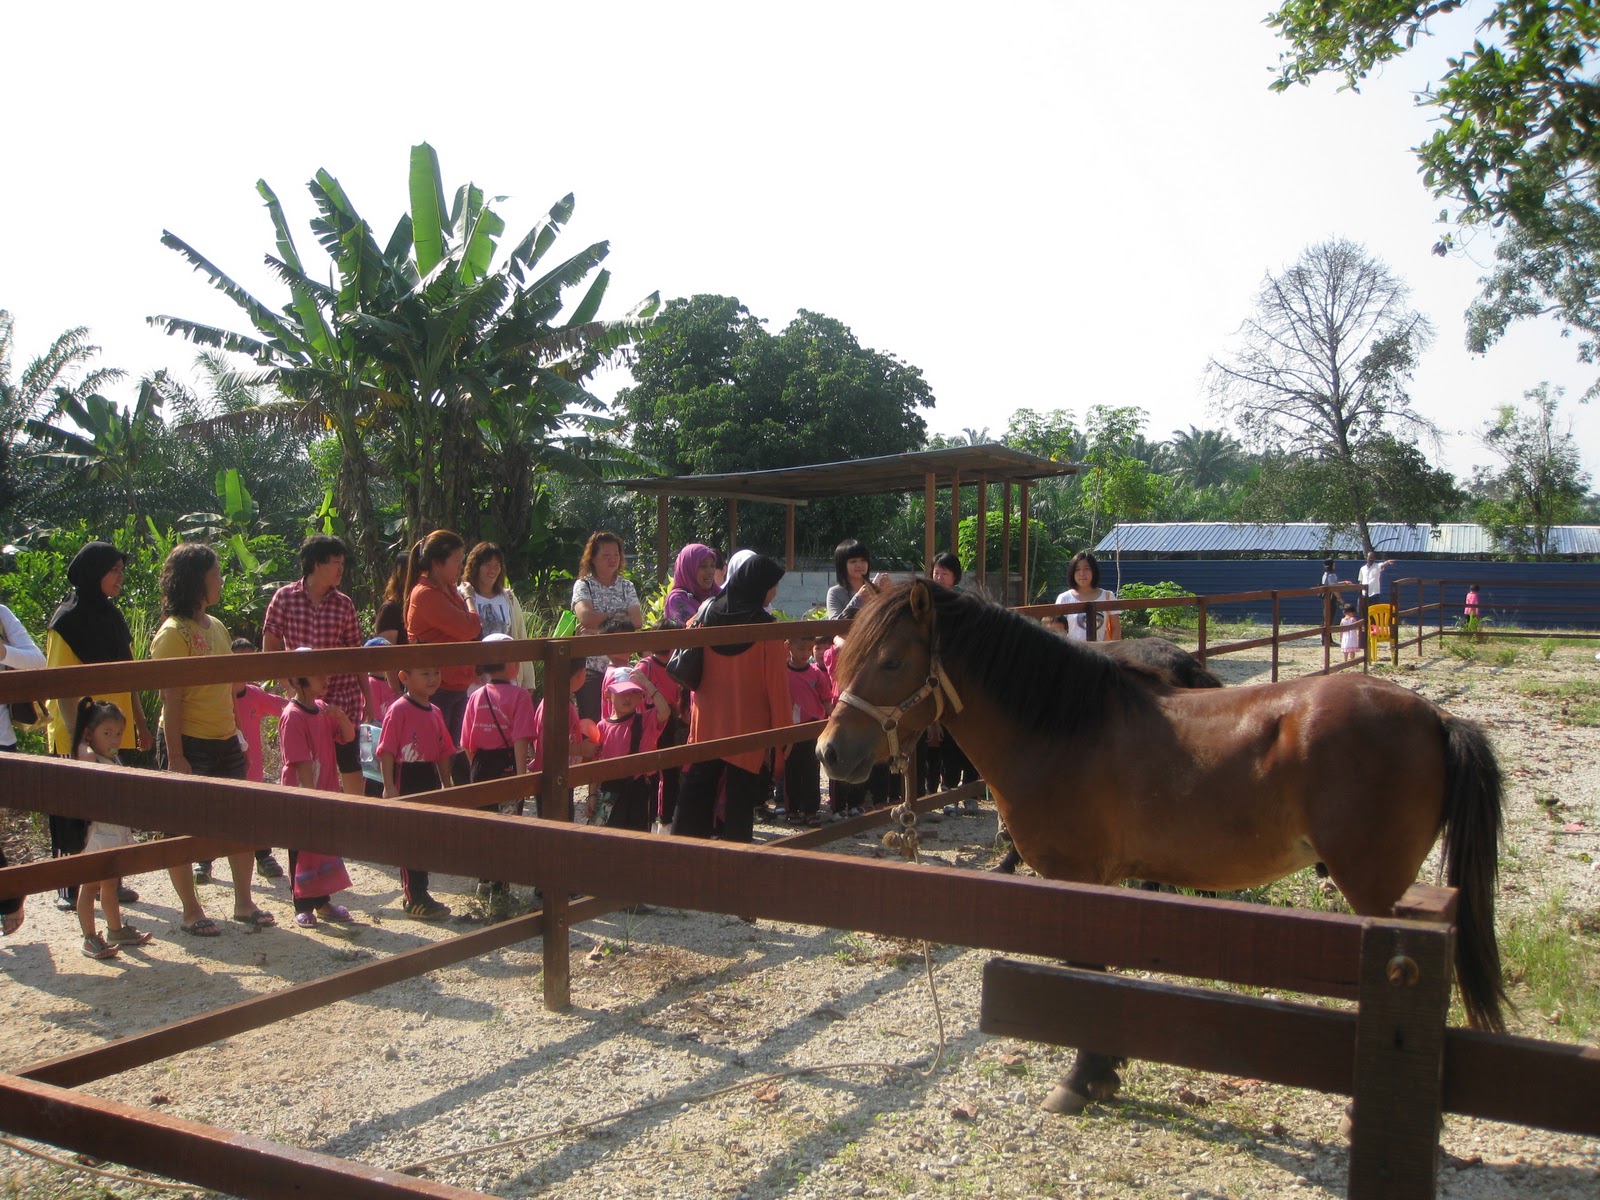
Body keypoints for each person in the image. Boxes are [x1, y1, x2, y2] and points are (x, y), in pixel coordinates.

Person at [150, 542, 272, 935]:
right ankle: (191, 910)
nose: (220, 579)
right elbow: (171, 700)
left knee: (241, 822)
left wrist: (238, 734)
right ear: (196, 579)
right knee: (181, 828)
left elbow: (228, 689)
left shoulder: (216, 626)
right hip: (189, 742)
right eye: (215, 573)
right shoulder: (172, 634)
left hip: (224, 740)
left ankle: (244, 902)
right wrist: (176, 756)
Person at [45, 541, 151, 910]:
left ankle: (110, 881)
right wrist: (81, 741)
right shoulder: (65, 623)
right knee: (74, 812)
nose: (120, 577)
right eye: (113, 570)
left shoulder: (113, 617)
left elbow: (129, 675)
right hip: (78, 736)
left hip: (113, 734)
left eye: (122, 570)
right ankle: (70, 886)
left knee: (111, 810)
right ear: (94, 573)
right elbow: (62, 689)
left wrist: (139, 723)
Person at [672, 554, 792, 843]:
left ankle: (680, 852)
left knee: (695, 792)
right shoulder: (768, 631)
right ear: (759, 587)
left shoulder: (703, 615)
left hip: (707, 724)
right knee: (740, 802)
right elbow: (778, 691)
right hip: (747, 728)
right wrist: (783, 739)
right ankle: (736, 861)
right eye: (773, 586)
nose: (775, 593)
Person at [262, 535, 372, 797]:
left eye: (342, 563)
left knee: (349, 762)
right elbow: (270, 648)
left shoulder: (344, 603)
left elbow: (357, 656)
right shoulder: (284, 597)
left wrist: (368, 698)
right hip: (304, 698)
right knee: (307, 764)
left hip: (342, 695)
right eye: (335, 562)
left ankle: (355, 815)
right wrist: (289, 687)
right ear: (316, 563)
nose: (341, 569)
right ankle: (311, 811)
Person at [72, 699, 154, 959]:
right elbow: (83, 756)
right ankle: (89, 937)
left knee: (110, 883)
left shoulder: (113, 759)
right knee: (89, 886)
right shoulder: (89, 757)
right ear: (89, 734)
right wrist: (83, 740)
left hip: (115, 831)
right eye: (106, 733)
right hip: (97, 835)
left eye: (118, 734)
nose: (114, 739)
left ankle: (115, 930)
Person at [277, 659, 356, 929]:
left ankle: (323, 902)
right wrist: (311, 798)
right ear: (299, 680)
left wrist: (341, 717)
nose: (325, 679)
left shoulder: (322, 709)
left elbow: (348, 737)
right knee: (301, 847)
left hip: (325, 790)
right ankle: (301, 904)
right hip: (303, 794)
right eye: (317, 674)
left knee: (322, 845)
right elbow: (300, 762)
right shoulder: (292, 715)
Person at [377, 663, 456, 920]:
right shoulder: (398, 710)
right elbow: (387, 750)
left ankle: (422, 892)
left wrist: (446, 783)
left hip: (428, 775)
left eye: (436, 672)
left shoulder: (435, 711)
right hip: (407, 775)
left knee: (425, 836)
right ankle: (414, 897)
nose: (433, 678)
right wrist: (389, 786)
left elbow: (444, 751)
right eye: (425, 673)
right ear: (404, 677)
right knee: (410, 836)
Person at [404, 530, 481, 784]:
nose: (461, 566)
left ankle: (457, 797)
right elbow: (470, 628)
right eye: (457, 560)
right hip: (435, 687)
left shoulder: (446, 589)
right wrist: (470, 599)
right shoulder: (425, 594)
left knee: (456, 751)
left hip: (454, 684)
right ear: (438, 563)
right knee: (437, 755)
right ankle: (442, 798)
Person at [228, 637, 286, 882]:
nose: (245, 666)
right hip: (226, 765)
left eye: (250, 660)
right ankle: (204, 862)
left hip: (252, 771)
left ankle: (263, 856)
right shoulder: (218, 697)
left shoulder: (255, 695)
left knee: (256, 811)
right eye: (239, 660)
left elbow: (284, 707)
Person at [570, 531, 642, 722]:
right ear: (592, 558)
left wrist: (599, 628)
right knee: (592, 722)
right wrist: (621, 619)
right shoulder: (584, 585)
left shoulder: (626, 586)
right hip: (591, 668)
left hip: (621, 667)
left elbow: (637, 621)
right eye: (606, 555)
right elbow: (586, 617)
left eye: (616, 555)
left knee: (623, 721)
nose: (612, 560)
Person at [594, 673, 669, 831]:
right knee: (606, 833)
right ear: (608, 695)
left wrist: (647, 684)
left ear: (640, 697)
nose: (627, 698)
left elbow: (665, 711)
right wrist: (592, 795)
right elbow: (594, 764)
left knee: (637, 834)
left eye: (633, 692)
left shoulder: (645, 720)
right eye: (621, 693)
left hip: (637, 788)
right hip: (609, 788)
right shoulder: (602, 727)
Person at [460, 633, 535, 785]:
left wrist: (476, 767)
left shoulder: (475, 696)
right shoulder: (521, 696)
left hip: (480, 764)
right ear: (511, 664)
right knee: (508, 801)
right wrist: (521, 778)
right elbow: (520, 739)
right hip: (507, 764)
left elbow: (466, 743)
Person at [459, 542, 535, 691]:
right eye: (487, 565)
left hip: (508, 681)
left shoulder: (509, 598)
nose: (492, 570)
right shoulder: (462, 596)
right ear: (475, 566)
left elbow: (520, 637)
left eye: (497, 565)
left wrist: (528, 681)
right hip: (473, 682)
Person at [632, 622, 687, 829]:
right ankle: (658, 819)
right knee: (656, 774)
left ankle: (667, 818)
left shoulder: (679, 664)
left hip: (675, 724)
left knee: (672, 773)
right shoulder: (645, 666)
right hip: (653, 724)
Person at [784, 631, 834, 826]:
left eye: (808, 649)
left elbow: (826, 699)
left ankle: (811, 810)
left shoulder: (816, 673)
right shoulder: (782, 673)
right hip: (790, 729)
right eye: (800, 648)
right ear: (788, 646)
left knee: (812, 770)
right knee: (791, 770)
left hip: (812, 728)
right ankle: (792, 809)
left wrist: (832, 720)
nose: (805, 653)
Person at [1055, 551, 1121, 642]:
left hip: (1101, 650)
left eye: (1086, 568)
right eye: (1077, 569)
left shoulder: (1108, 596)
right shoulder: (1064, 598)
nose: (1082, 573)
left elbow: (1116, 628)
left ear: (1094, 571)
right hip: (1073, 650)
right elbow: (1057, 630)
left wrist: (1112, 649)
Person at [826, 538, 890, 620]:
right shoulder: (835, 592)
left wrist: (890, 592)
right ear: (842, 565)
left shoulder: (877, 585)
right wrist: (858, 599)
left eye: (863, 560)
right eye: (853, 561)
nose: (859, 565)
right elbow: (835, 624)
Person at [664, 543, 720, 626]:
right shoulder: (677, 599)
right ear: (688, 569)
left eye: (712, 565)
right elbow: (692, 628)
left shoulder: (718, 594)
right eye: (703, 566)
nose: (710, 571)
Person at [1358, 551, 1396, 618]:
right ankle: (1365, 623)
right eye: (1370, 557)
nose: (1371, 559)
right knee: (1364, 611)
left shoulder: (1377, 566)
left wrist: (1388, 562)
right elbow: (1360, 581)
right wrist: (1360, 593)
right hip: (1364, 594)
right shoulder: (1362, 568)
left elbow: (1383, 564)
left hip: (1374, 593)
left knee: (1374, 611)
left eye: (1372, 557)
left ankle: (1373, 624)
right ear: (1367, 558)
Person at [1319, 559, 1343, 647]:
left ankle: (1325, 639)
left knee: (1326, 619)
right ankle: (1328, 640)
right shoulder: (1332, 575)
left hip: (1326, 598)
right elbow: (1334, 588)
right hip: (1331, 599)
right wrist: (1340, 599)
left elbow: (1331, 584)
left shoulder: (1325, 574)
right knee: (1329, 619)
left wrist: (1343, 583)